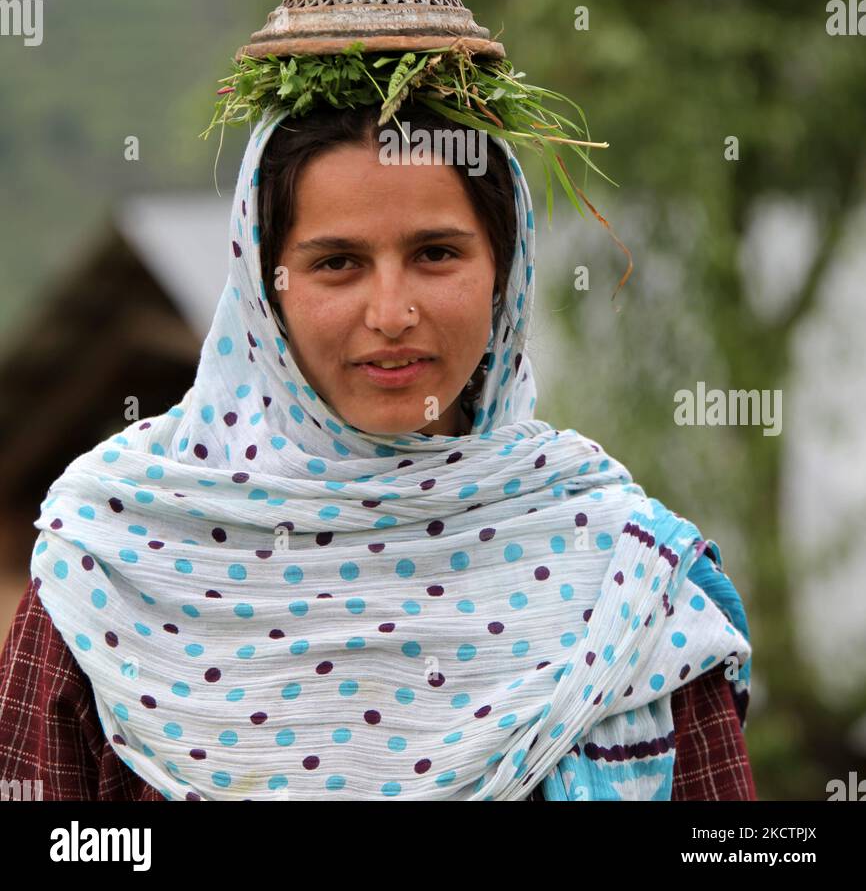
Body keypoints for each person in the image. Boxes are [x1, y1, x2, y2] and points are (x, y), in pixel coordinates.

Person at [0, 100, 757, 800]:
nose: (392, 314)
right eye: (337, 263)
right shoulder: (115, 559)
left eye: (435, 254)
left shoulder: (625, 582)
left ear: (504, 270)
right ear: (267, 291)